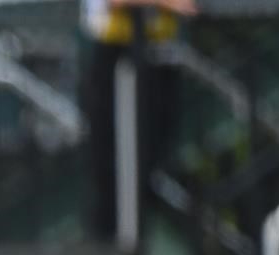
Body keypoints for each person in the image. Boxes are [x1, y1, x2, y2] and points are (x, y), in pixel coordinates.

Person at [80, 0, 194, 242]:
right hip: (115, 55)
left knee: (151, 161)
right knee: (110, 161)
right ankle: (109, 243)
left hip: (157, 58)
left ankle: (136, 250)